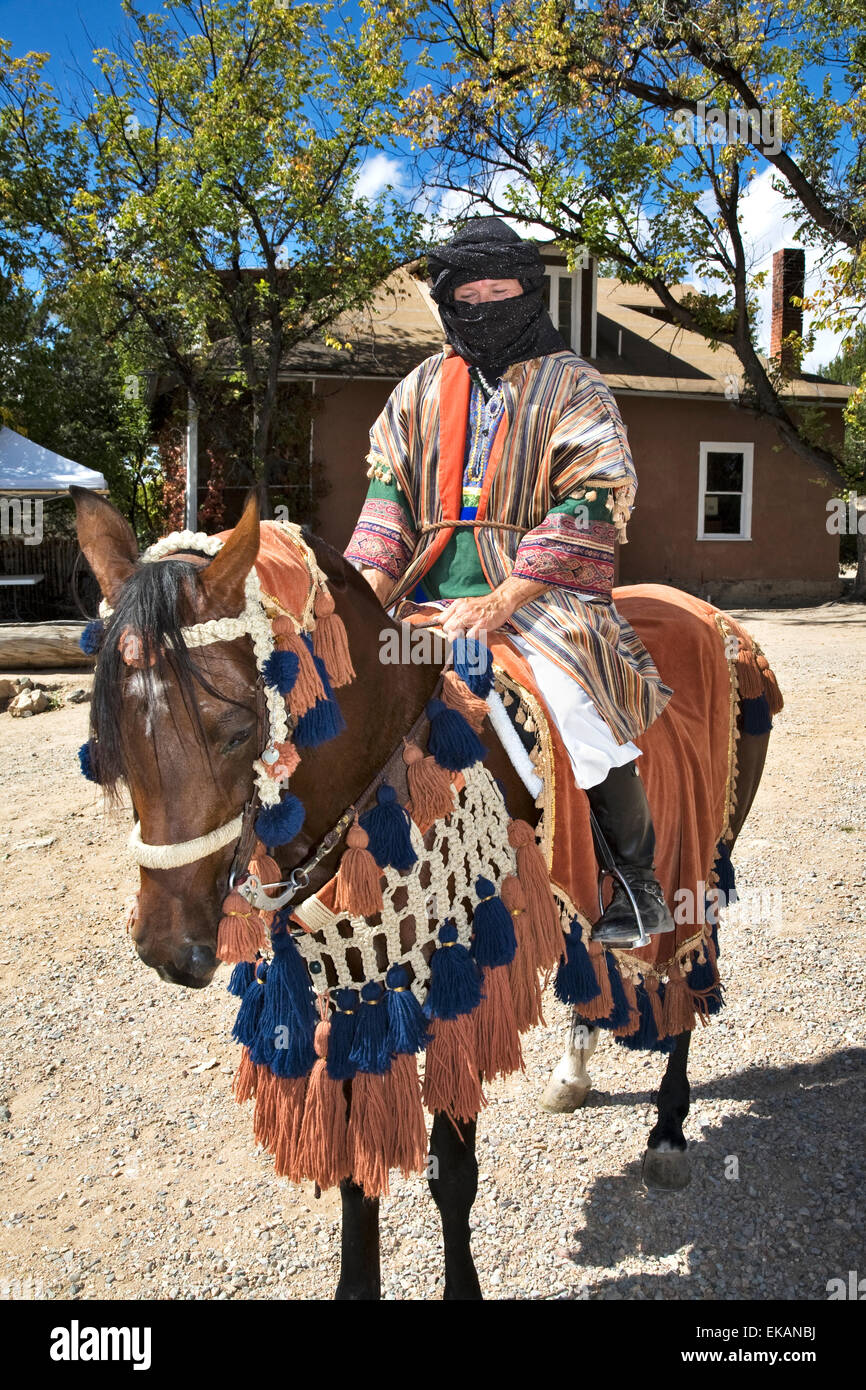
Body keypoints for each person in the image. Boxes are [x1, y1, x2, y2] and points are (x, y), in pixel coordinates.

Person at [345, 216, 675, 945]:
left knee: (579, 706)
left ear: (529, 293)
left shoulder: (575, 383)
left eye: (500, 292)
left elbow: (589, 500)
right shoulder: (418, 388)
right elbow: (386, 512)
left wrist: (502, 600)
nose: (485, 306)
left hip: (540, 595)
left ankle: (637, 886)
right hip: (426, 589)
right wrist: (354, 609)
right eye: (469, 295)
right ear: (449, 301)